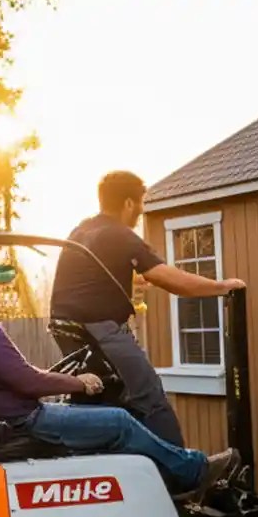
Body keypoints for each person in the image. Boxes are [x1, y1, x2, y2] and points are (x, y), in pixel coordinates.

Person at [0, 252, 238, 500]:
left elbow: (17, 376)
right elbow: (27, 382)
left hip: (8, 421)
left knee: (97, 418)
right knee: (119, 421)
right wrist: (80, 382)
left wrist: (58, 379)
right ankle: (193, 472)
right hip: (25, 422)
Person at [50, 170, 244, 448]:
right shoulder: (119, 234)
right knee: (149, 398)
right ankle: (183, 473)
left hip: (68, 329)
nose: (141, 211)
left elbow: (87, 278)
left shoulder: (82, 230)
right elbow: (173, 281)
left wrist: (131, 279)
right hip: (100, 328)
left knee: (104, 397)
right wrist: (222, 286)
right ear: (129, 203)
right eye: (140, 203)